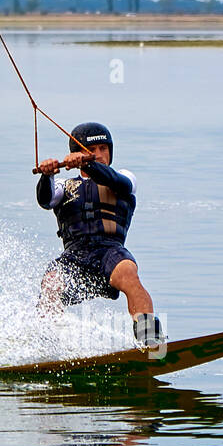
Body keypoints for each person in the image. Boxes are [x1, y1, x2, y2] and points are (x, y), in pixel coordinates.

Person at [33, 122, 165, 351]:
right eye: (93, 150)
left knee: (128, 272)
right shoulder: (64, 185)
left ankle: (151, 343)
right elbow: (46, 200)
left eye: (105, 149)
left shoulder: (125, 177)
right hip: (75, 256)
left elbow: (114, 181)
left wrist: (88, 163)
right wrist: (46, 175)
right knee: (51, 283)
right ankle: (46, 349)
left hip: (109, 252)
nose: (100, 154)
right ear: (77, 151)